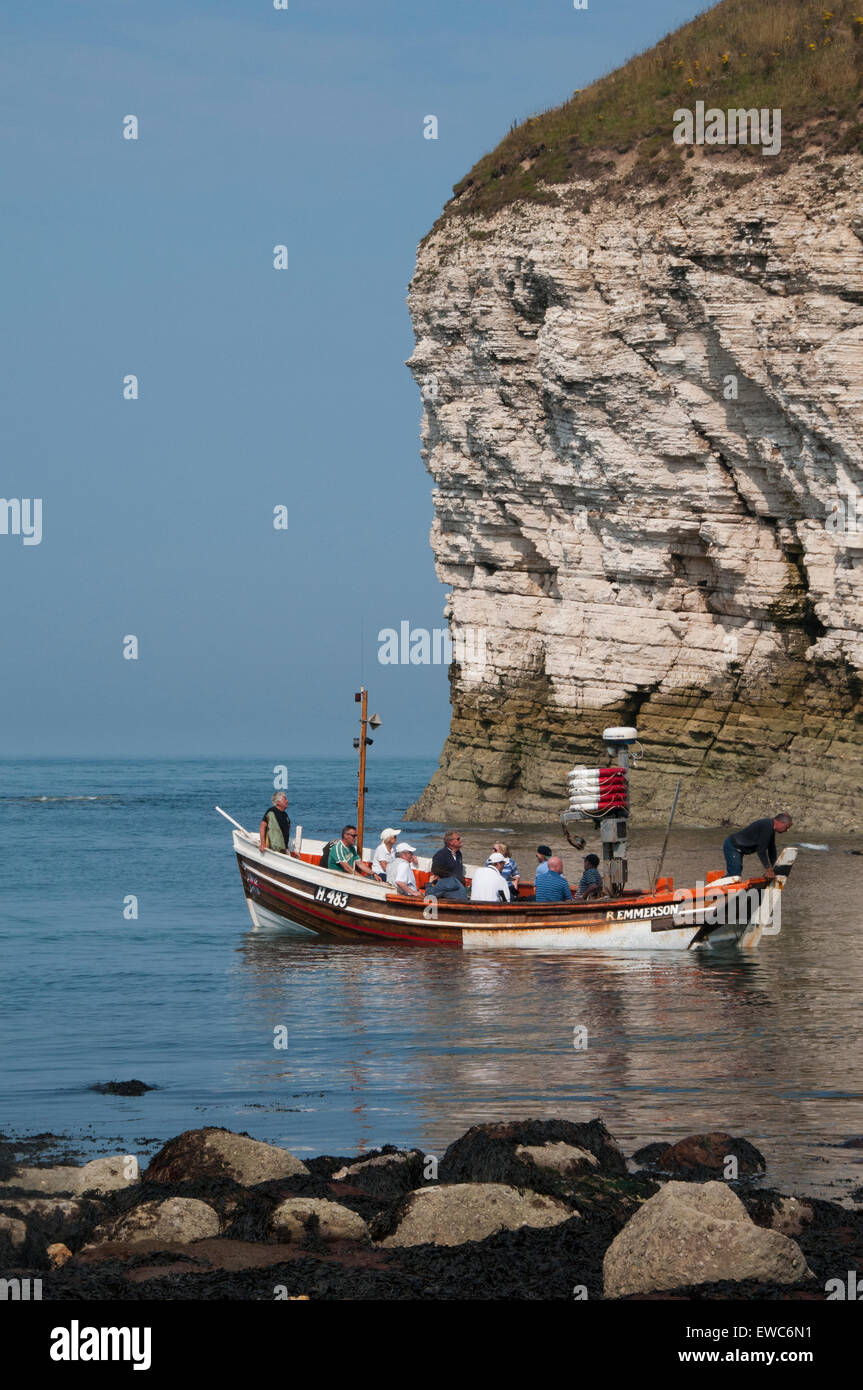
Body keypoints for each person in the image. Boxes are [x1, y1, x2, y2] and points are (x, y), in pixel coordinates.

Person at [723, 813, 792, 880]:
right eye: (786, 827)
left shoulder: (771, 828)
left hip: (739, 848)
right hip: (733, 846)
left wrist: (774, 867)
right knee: (734, 875)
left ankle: (726, 888)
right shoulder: (767, 825)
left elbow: (772, 849)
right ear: (781, 822)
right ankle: (717, 889)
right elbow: (761, 850)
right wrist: (768, 869)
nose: (786, 830)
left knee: (735, 874)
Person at [426, 830, 467, 901]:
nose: (460, 840)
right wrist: (452, 876)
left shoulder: (458, 854)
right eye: (458, 839)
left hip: (457, 885)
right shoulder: (441, 855)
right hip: (448, 885)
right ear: (451, 842)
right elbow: (435, 870)